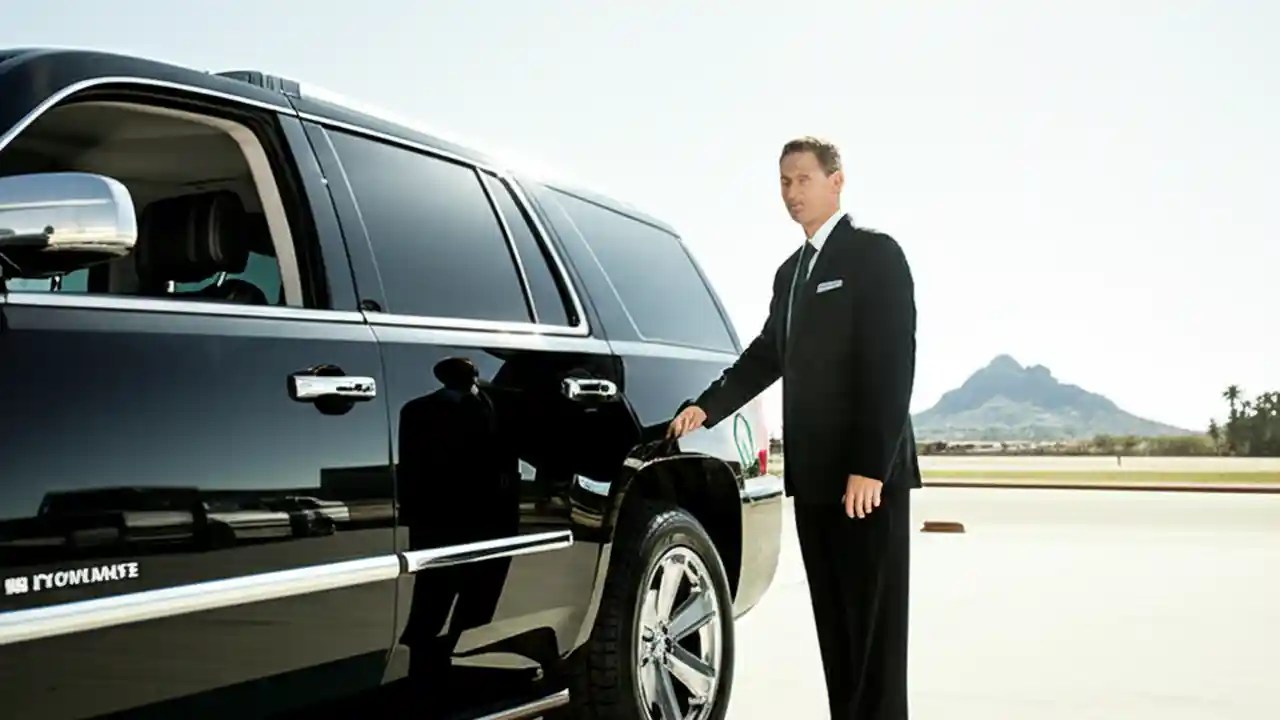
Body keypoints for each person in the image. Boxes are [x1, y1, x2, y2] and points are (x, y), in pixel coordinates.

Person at [668, 136, 920, 719]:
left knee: (873, 629)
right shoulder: (792, 273)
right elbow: (764, 356)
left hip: (866, 482)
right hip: (814, 478)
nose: (791, 192)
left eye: (803, 179)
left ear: (836, 181)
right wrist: (707, 407)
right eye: (783, 181)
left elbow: (891, 365)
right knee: (835, 624)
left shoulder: (874, 254)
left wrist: (869, 466)